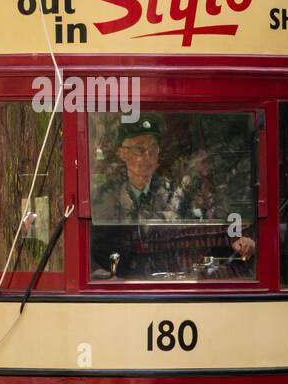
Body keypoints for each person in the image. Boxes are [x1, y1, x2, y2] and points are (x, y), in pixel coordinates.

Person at [90, 116, 255, 280]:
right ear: (122, 154)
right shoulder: (105, 198)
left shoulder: (174, 192)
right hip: (121, 285)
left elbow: (209, 222)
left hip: (166, 280)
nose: (147, 157)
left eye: (153, 149)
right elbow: (94, 247)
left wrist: (240, 238)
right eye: (139, 150)